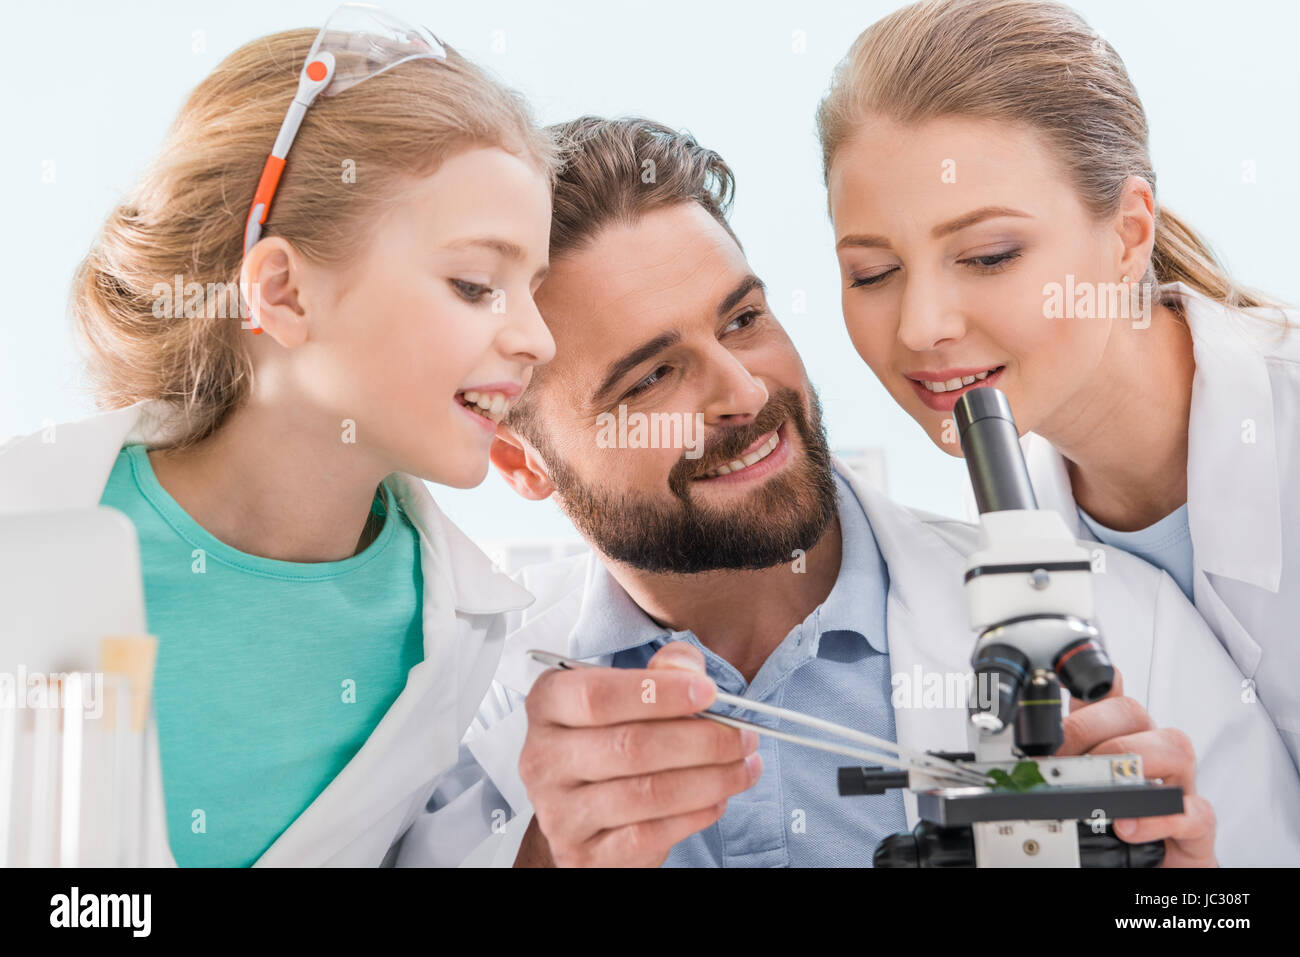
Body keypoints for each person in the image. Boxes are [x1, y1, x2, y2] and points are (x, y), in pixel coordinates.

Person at [426, 116, 1300, 868]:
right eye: (652, 377)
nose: (744, 389)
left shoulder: (1121, 626)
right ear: (522, 464)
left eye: (744, 320)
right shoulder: (467, 724)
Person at [0, 5, 556, 867]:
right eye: (477, 283)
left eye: (534, 291)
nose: (537, 339)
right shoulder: (30, 525)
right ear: (286, 294)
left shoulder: (456, 634)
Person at [816, 0, 1300, 772]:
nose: (920, 327)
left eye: (988, 255)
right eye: (872, 272)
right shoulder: (1010, 553)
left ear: (1128, 235)